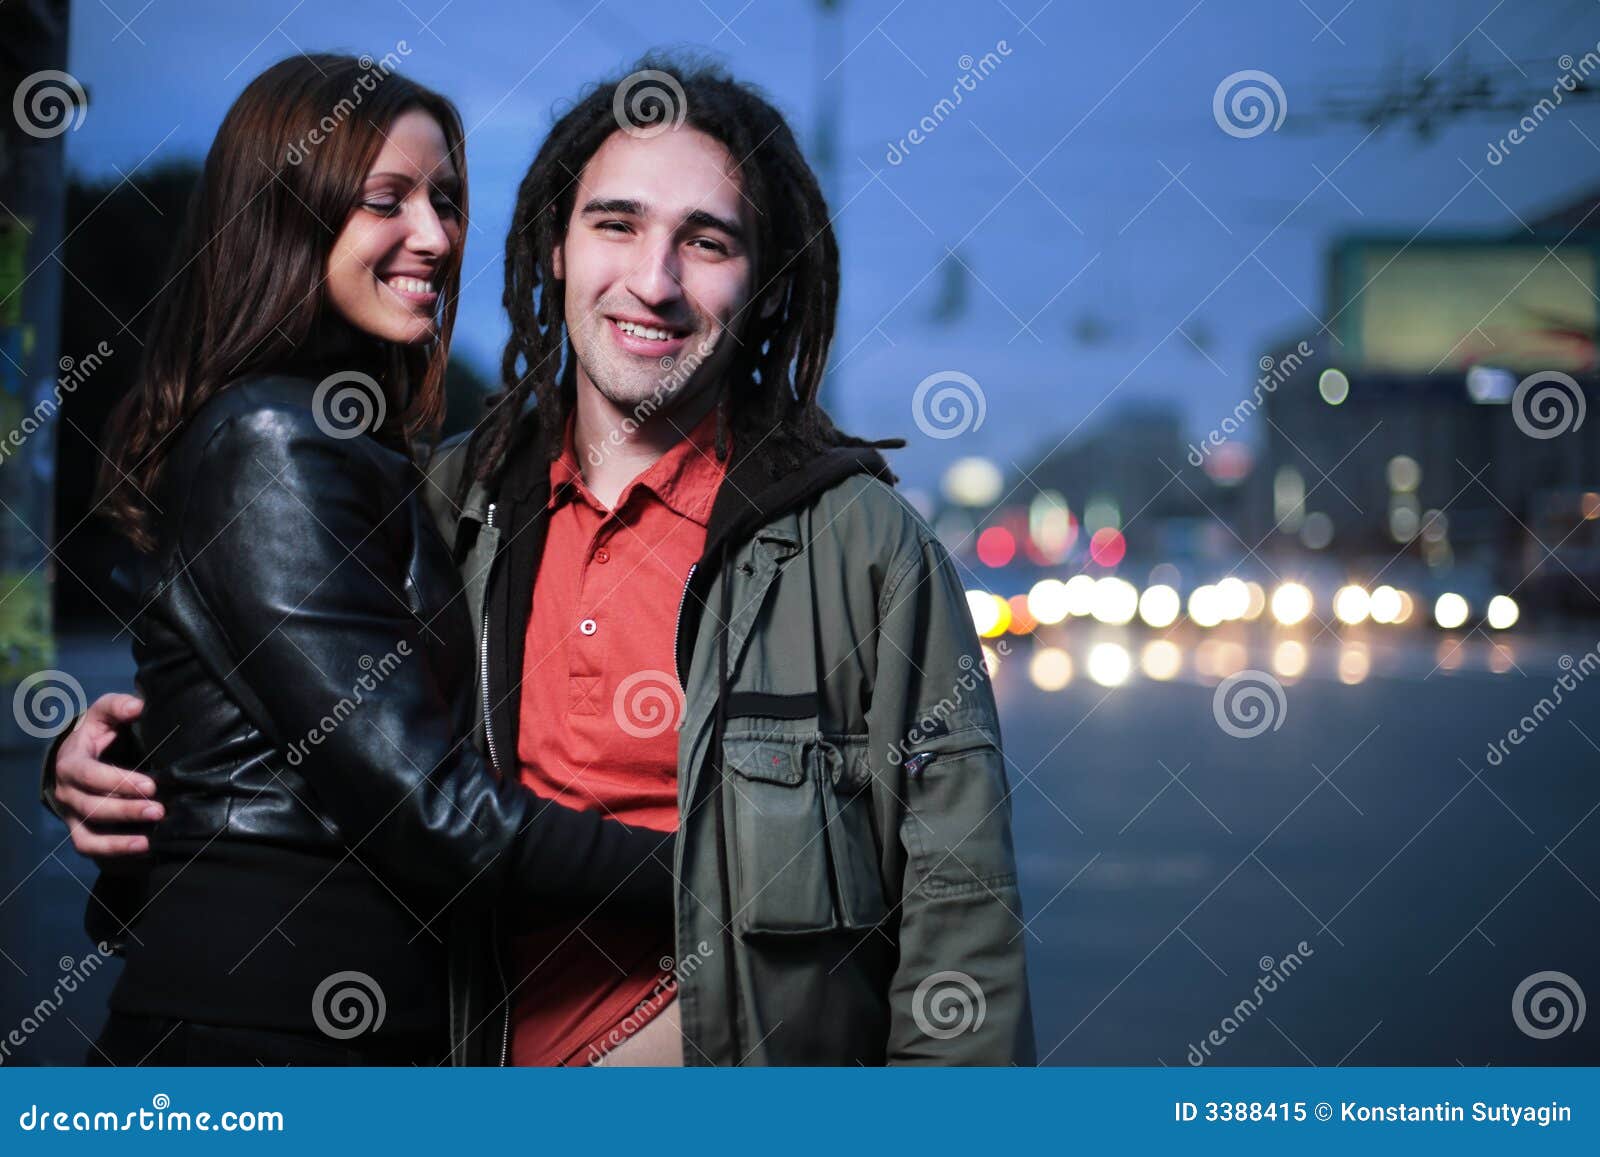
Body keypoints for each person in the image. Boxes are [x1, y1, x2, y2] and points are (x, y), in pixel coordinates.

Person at [52, 57, 1035, 1066]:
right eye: (616, 225)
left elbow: (959, 911)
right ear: (555, 247)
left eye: (706, 242)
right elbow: (304, 740)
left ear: (763, 279)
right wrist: (123, 760)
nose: (654, 281)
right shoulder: (440, 503)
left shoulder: (862, 549)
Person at [42, 53, 673, 1067]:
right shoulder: (276, 440)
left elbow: (254, 717)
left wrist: (115, 751)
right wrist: (727, 878)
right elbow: (432, 807)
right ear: (285, 215)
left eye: (446, 200)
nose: (437, 234)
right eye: (388, 201)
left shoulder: (334, 439)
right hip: (270, 1039)